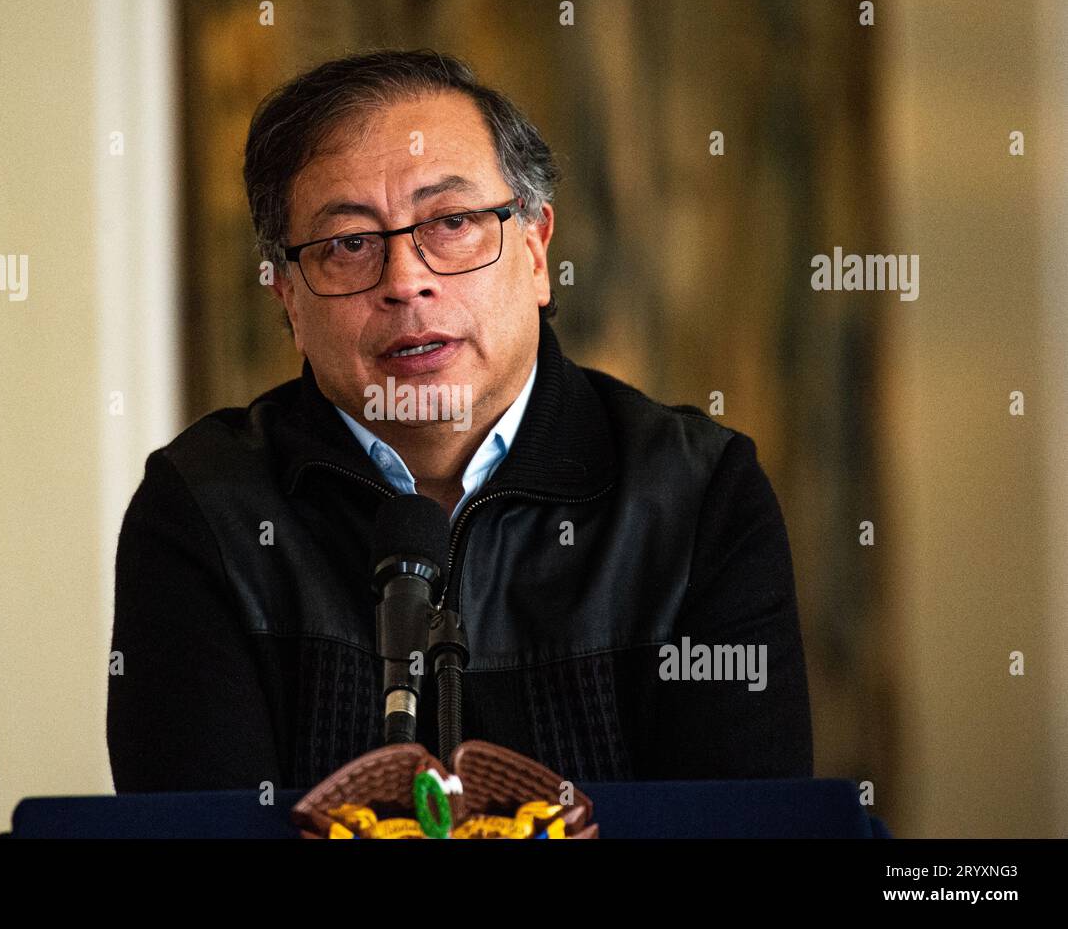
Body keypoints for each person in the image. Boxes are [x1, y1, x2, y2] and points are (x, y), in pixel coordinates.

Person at [107, 48, 813, 792]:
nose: (406, 281)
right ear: (287, 296)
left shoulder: (698, 497)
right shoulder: (204, 510)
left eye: (450, 222)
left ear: (536, 250)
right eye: (348, 244)